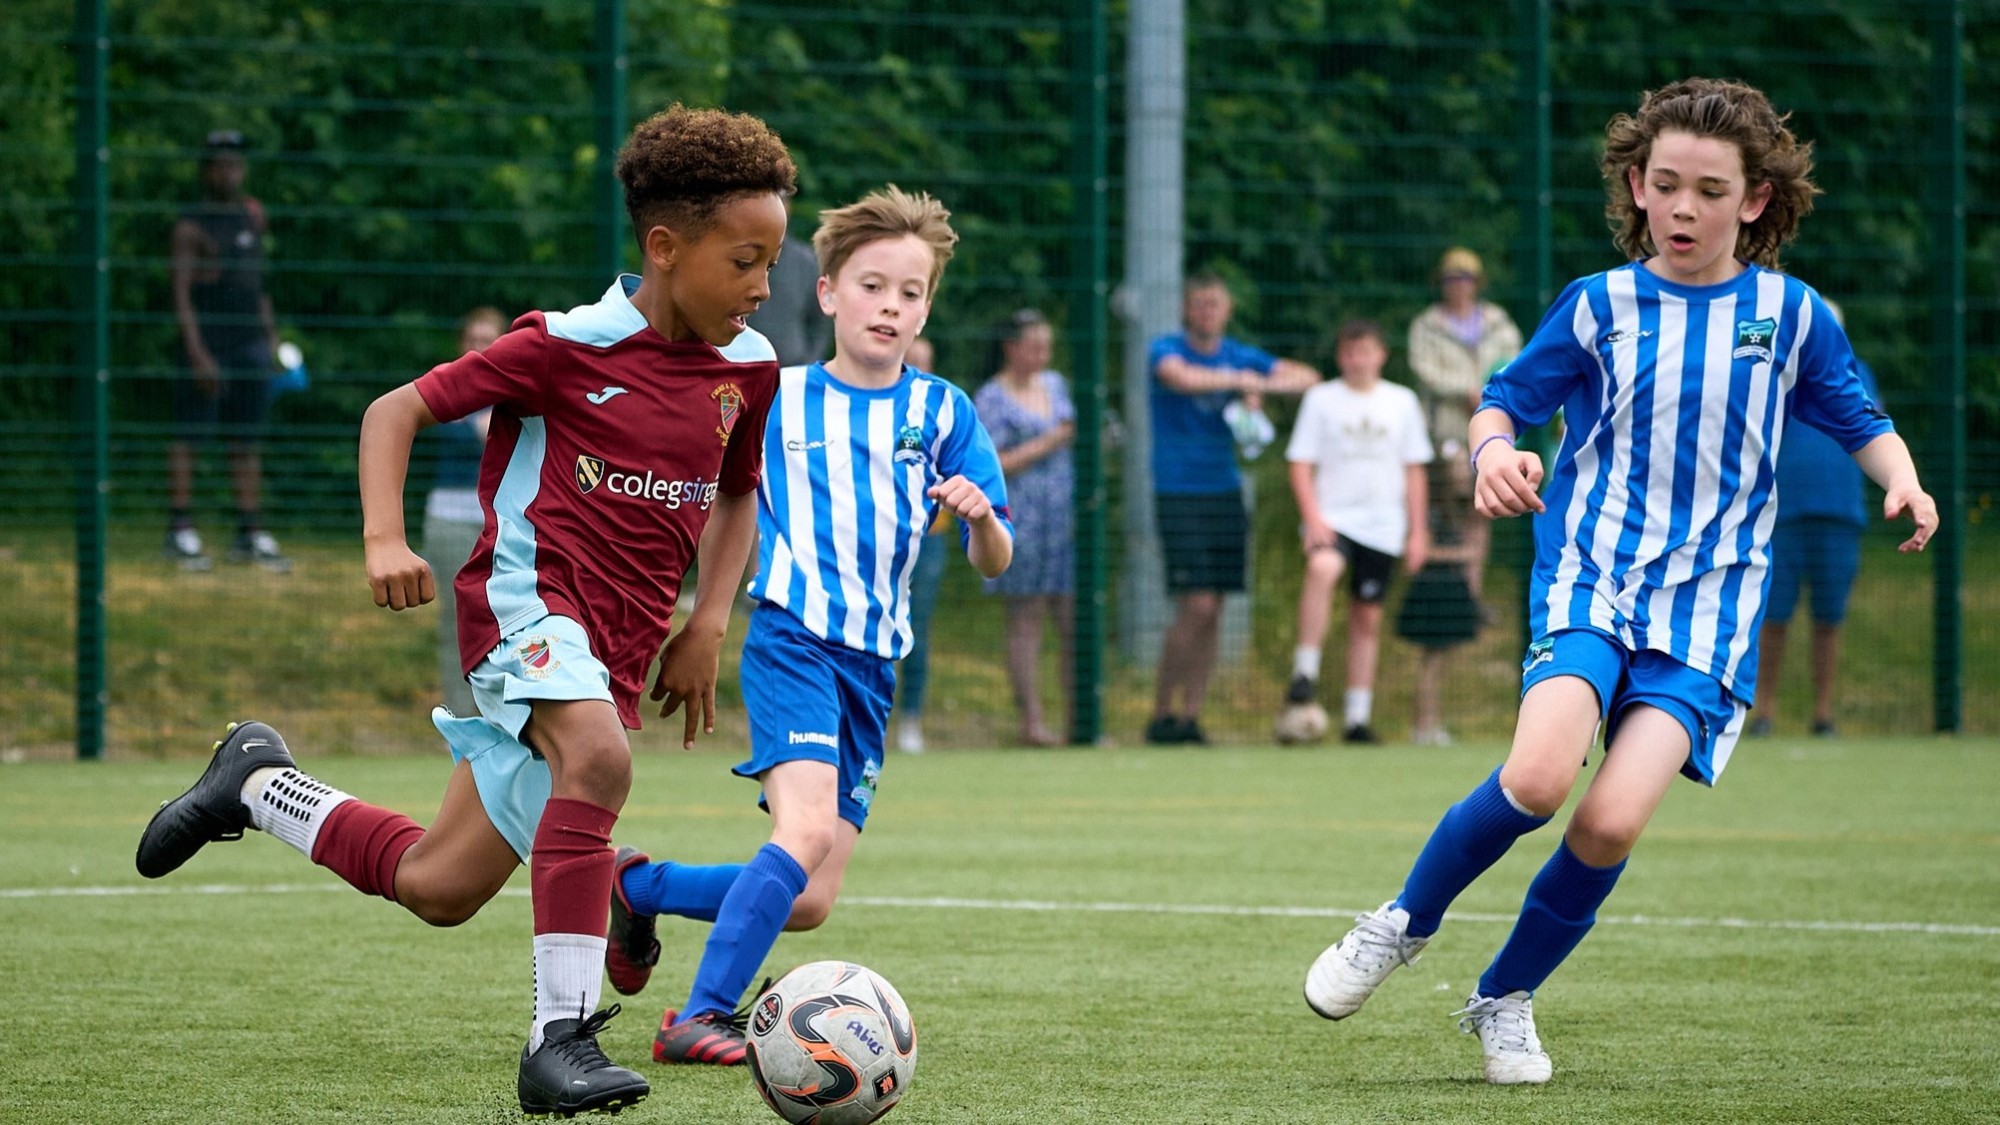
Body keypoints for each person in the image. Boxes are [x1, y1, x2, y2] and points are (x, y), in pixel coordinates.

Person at [134, 104, 799, 1117]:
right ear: (664, 248)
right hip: (525, 606)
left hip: (608, 656)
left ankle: (258, 783)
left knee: (437, 889)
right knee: (603, 763)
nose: (762, 287)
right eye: (745, 261)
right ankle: (558, 1042)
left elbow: (738, 491)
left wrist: (707, 621)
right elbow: (392, 410)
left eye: (772, 262)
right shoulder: (562, 347)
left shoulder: (746, 371)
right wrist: (382, 538)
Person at [1301, 77, 1937, 1087]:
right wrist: (1491, 454)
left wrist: (1901, 482)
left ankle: (1503, 997)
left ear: (1755, 201)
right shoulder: (1598, 305)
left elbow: (1861, 421)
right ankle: (1397, 924)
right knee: (1540, 780)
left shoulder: (1791, 316)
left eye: (1709, 190)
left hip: (1708, 609)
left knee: (1605, 822)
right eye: (1665, 185)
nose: (1684, 208)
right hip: (1590, 577)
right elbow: (1500, 402)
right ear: (1636, 187)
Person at [609, 186, 1012, 1069]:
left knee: (811, 895)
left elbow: (996, 559)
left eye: (911, 293)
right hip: (792, 638)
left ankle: (637, 886)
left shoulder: (944, 413)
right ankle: (699, 1015)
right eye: (873, 286)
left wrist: (982, 518)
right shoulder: (776, 393)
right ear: (828, 292)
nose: (891, 306)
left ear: (927, 307)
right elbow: (712, 486)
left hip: (873, 666)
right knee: (802, 836)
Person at [1145, 273, 1319, 744]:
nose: (1206, 312)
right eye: (1198, 303)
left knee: (1216, 605)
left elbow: (1306, 378)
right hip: (1180, 490)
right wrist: (1242, 380)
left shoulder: (1240, 355)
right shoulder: (1166, 349)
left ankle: (1190, 716)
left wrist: (1258, 387)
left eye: (1214, 304)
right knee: (1195, 603)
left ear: (1226, 310)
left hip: (1224, 489)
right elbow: (1177, 377)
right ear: (1187, 310)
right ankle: (1160, 711)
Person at [1281, 319, 1433, 745]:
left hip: (1384, 526)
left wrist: (1417, 532)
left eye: (1364, 351)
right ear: (1339, 356)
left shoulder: (1401, 402)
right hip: (1333, 518)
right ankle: (1305, 671)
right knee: (1324, 567)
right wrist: (1312, 517)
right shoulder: (1321, 399)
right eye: (1349, 352)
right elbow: (1300, 462)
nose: (1356, 360)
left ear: (1381, 354)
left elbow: (1414, 470)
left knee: (1366, 617)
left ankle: (1356, 718)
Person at [1750, 300, 1879, 738]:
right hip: (1780, 516)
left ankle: (1823, 716)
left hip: (1840, 515)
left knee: (1829, 617)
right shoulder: (1774, 373)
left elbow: (1871, 433)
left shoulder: (1859, 375)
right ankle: (1762, 712)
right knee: (1772, 616)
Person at [164, 129, 291, 573]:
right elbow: (179, 293)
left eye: (237, 161)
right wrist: (197, 352)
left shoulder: (252, 216)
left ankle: (249, 532)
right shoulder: (190, 225)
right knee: (190, 436)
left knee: (247, 438)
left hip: (250, 345)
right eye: (221, 162)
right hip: (207, 344)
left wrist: (270, 342)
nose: (231, 170)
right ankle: (179, 528)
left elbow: (260, 286)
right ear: (206, 169)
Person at [975, 309, 1076, 746]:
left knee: (1073, 617)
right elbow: (992, 463)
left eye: (1046, 347)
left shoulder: (1056, 386)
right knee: (1027, 616)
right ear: (1011, 348)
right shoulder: (991, 399)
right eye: (1033, 346)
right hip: (1022, 522)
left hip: (1065, 522)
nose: (1042, 355)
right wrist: (1046, 443)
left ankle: (1079, 720)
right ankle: (1031, 721)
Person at [1406, 247, 1522, 604]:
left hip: (1490, 428)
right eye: (1451, 279)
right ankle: (1451, 591)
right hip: (1449, 430)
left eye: (1465, 278)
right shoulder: (1427, 325)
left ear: (1476, 283)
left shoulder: (1497, 322)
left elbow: (1515, 359)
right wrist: (1464, 391)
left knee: (1480, 511)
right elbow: (1424, 368)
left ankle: (1470, 593)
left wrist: (1490, 391)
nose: (1458, 286)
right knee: (1457, 491)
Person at [422, 307, 506, 719]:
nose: (479, 346)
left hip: (505, 522)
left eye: (488, 338)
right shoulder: (447, 384)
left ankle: (506, 718)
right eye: (472, 338)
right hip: (452, 520)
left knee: (508, 620)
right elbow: (461, 431)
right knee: (459, 622)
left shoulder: (515, 387)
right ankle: (463, 718)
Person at [1395, 455, 1483, 746]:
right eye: (1456, 467)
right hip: (1432, 589)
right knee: (1430, 661)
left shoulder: (1465, 508)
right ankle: (1423, 726)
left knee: (1439, 662)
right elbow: (1423, 551)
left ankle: (1431, 724)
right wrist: (1463, 555)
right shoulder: (1429, 511)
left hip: (1452, 588)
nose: (1462, 472)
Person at [893, 334, 952, 754]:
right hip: (875, 537)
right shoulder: (877, 409)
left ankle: (910, 717)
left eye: (925, 362)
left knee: (916, 628)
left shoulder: (945, 415)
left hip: (928, 539)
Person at [745, 232, 831, 367]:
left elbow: (820, 323)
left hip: (793, 366)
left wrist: (809, 364)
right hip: (744, 367)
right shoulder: (740, 258)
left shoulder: (806, 262)